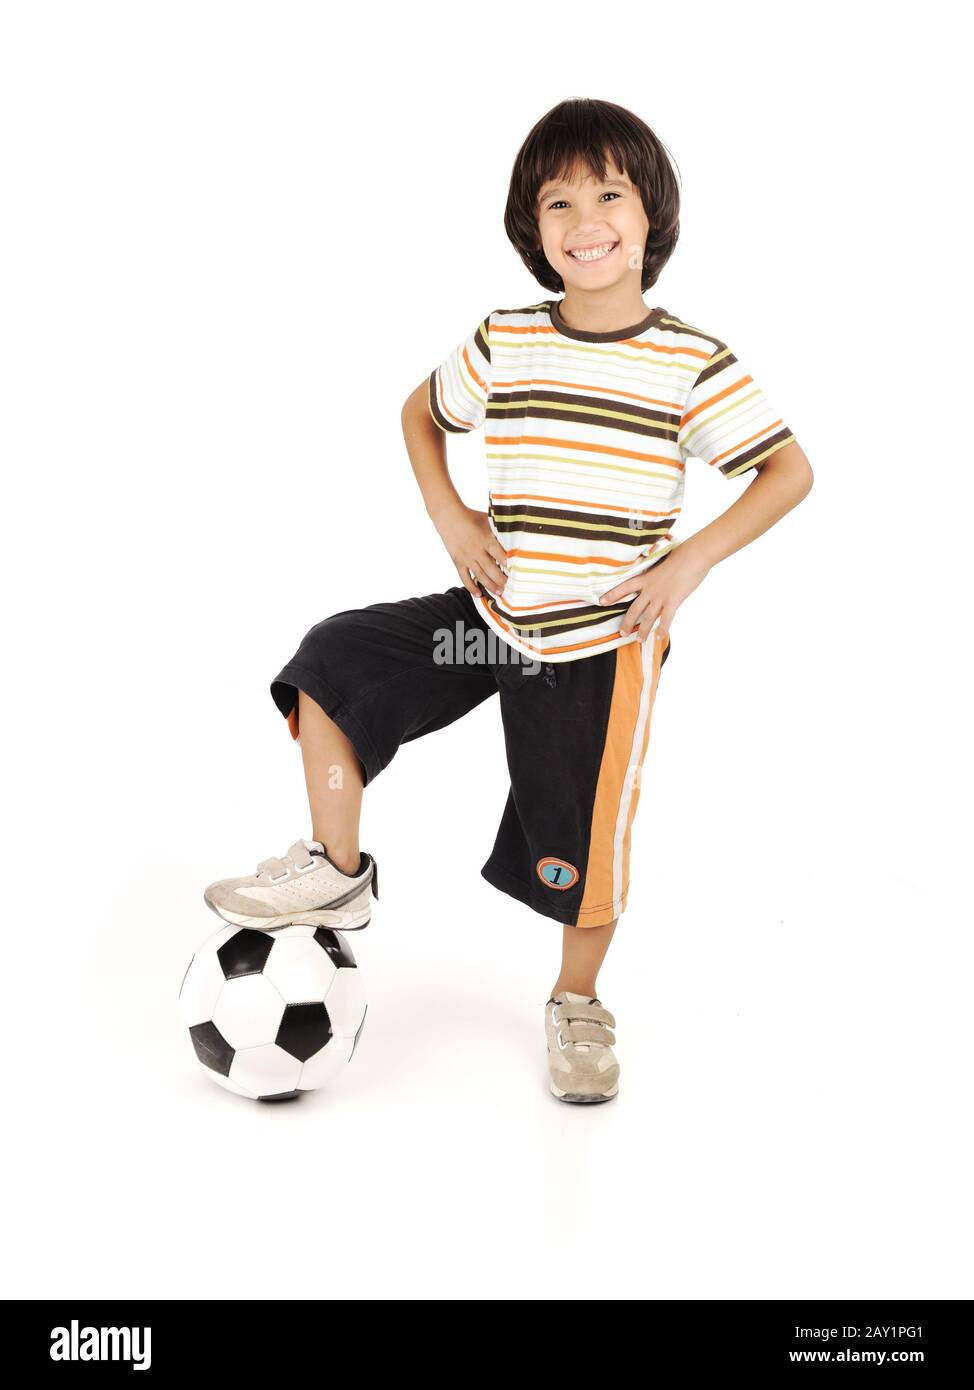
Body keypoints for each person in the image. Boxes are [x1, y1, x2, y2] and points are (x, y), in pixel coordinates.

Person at [203, 97, 813, 1104]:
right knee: (331, 664)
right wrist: (451, 515)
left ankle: (576, 1002)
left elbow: (786, 472)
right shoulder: (506, 337)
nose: (584, 220)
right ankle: (334, 865)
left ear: (647, 216)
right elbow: (418, 412)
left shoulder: (688, 362)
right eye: (556, 201)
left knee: (580, 845)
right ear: (532, 230)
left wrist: (689, 559)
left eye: (607, 194)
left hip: (595, 647)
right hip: (490, 628)